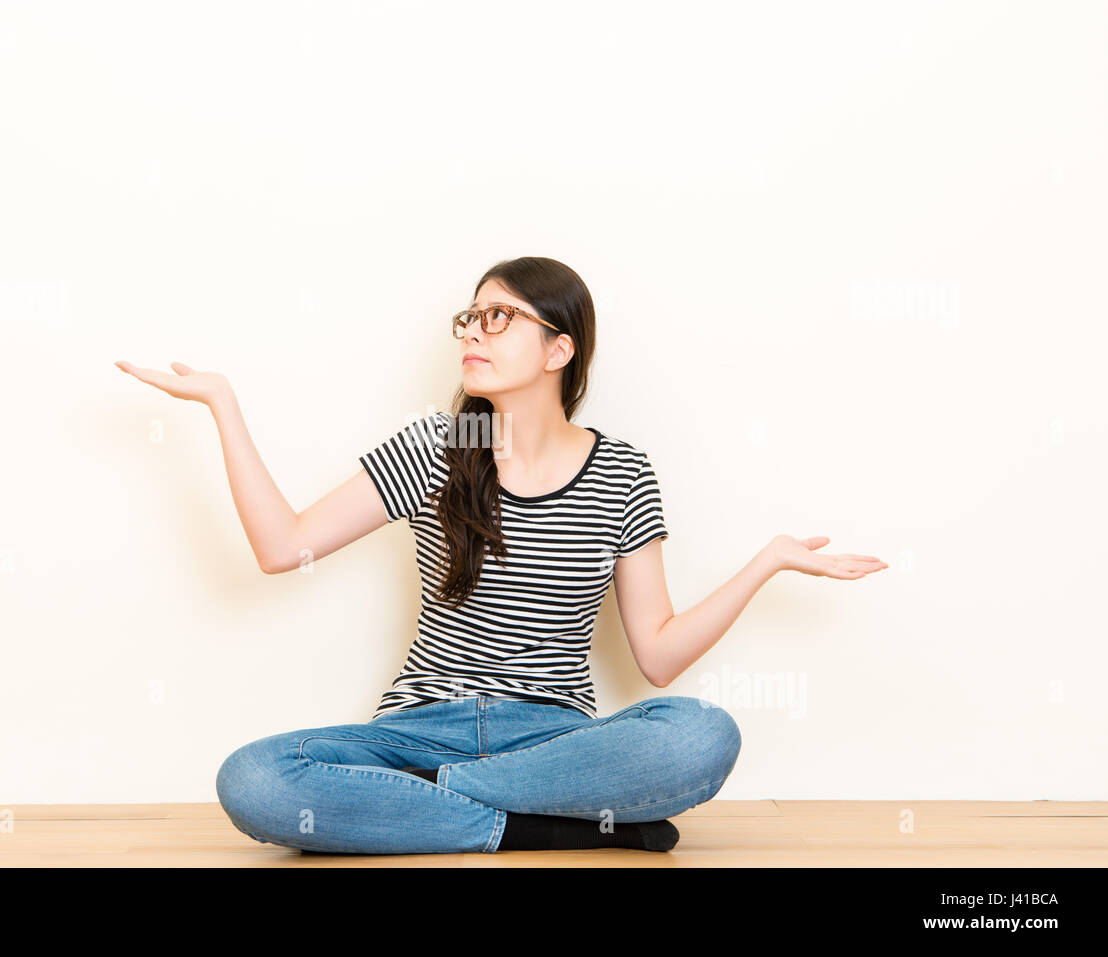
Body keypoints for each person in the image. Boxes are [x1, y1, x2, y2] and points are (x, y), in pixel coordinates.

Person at [114, 256, 888, 855]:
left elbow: (657, 656)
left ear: (560, 347)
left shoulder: (622, 471)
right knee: (253, 780)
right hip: (417, 729)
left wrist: (766, 562)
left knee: (700, 733)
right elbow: (282, 548)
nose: (472, 333)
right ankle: (551, 828)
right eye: (469, 317)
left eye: (498, 317)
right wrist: (225, 405)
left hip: (554, 738)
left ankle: (428, 803)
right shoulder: (438, 447)